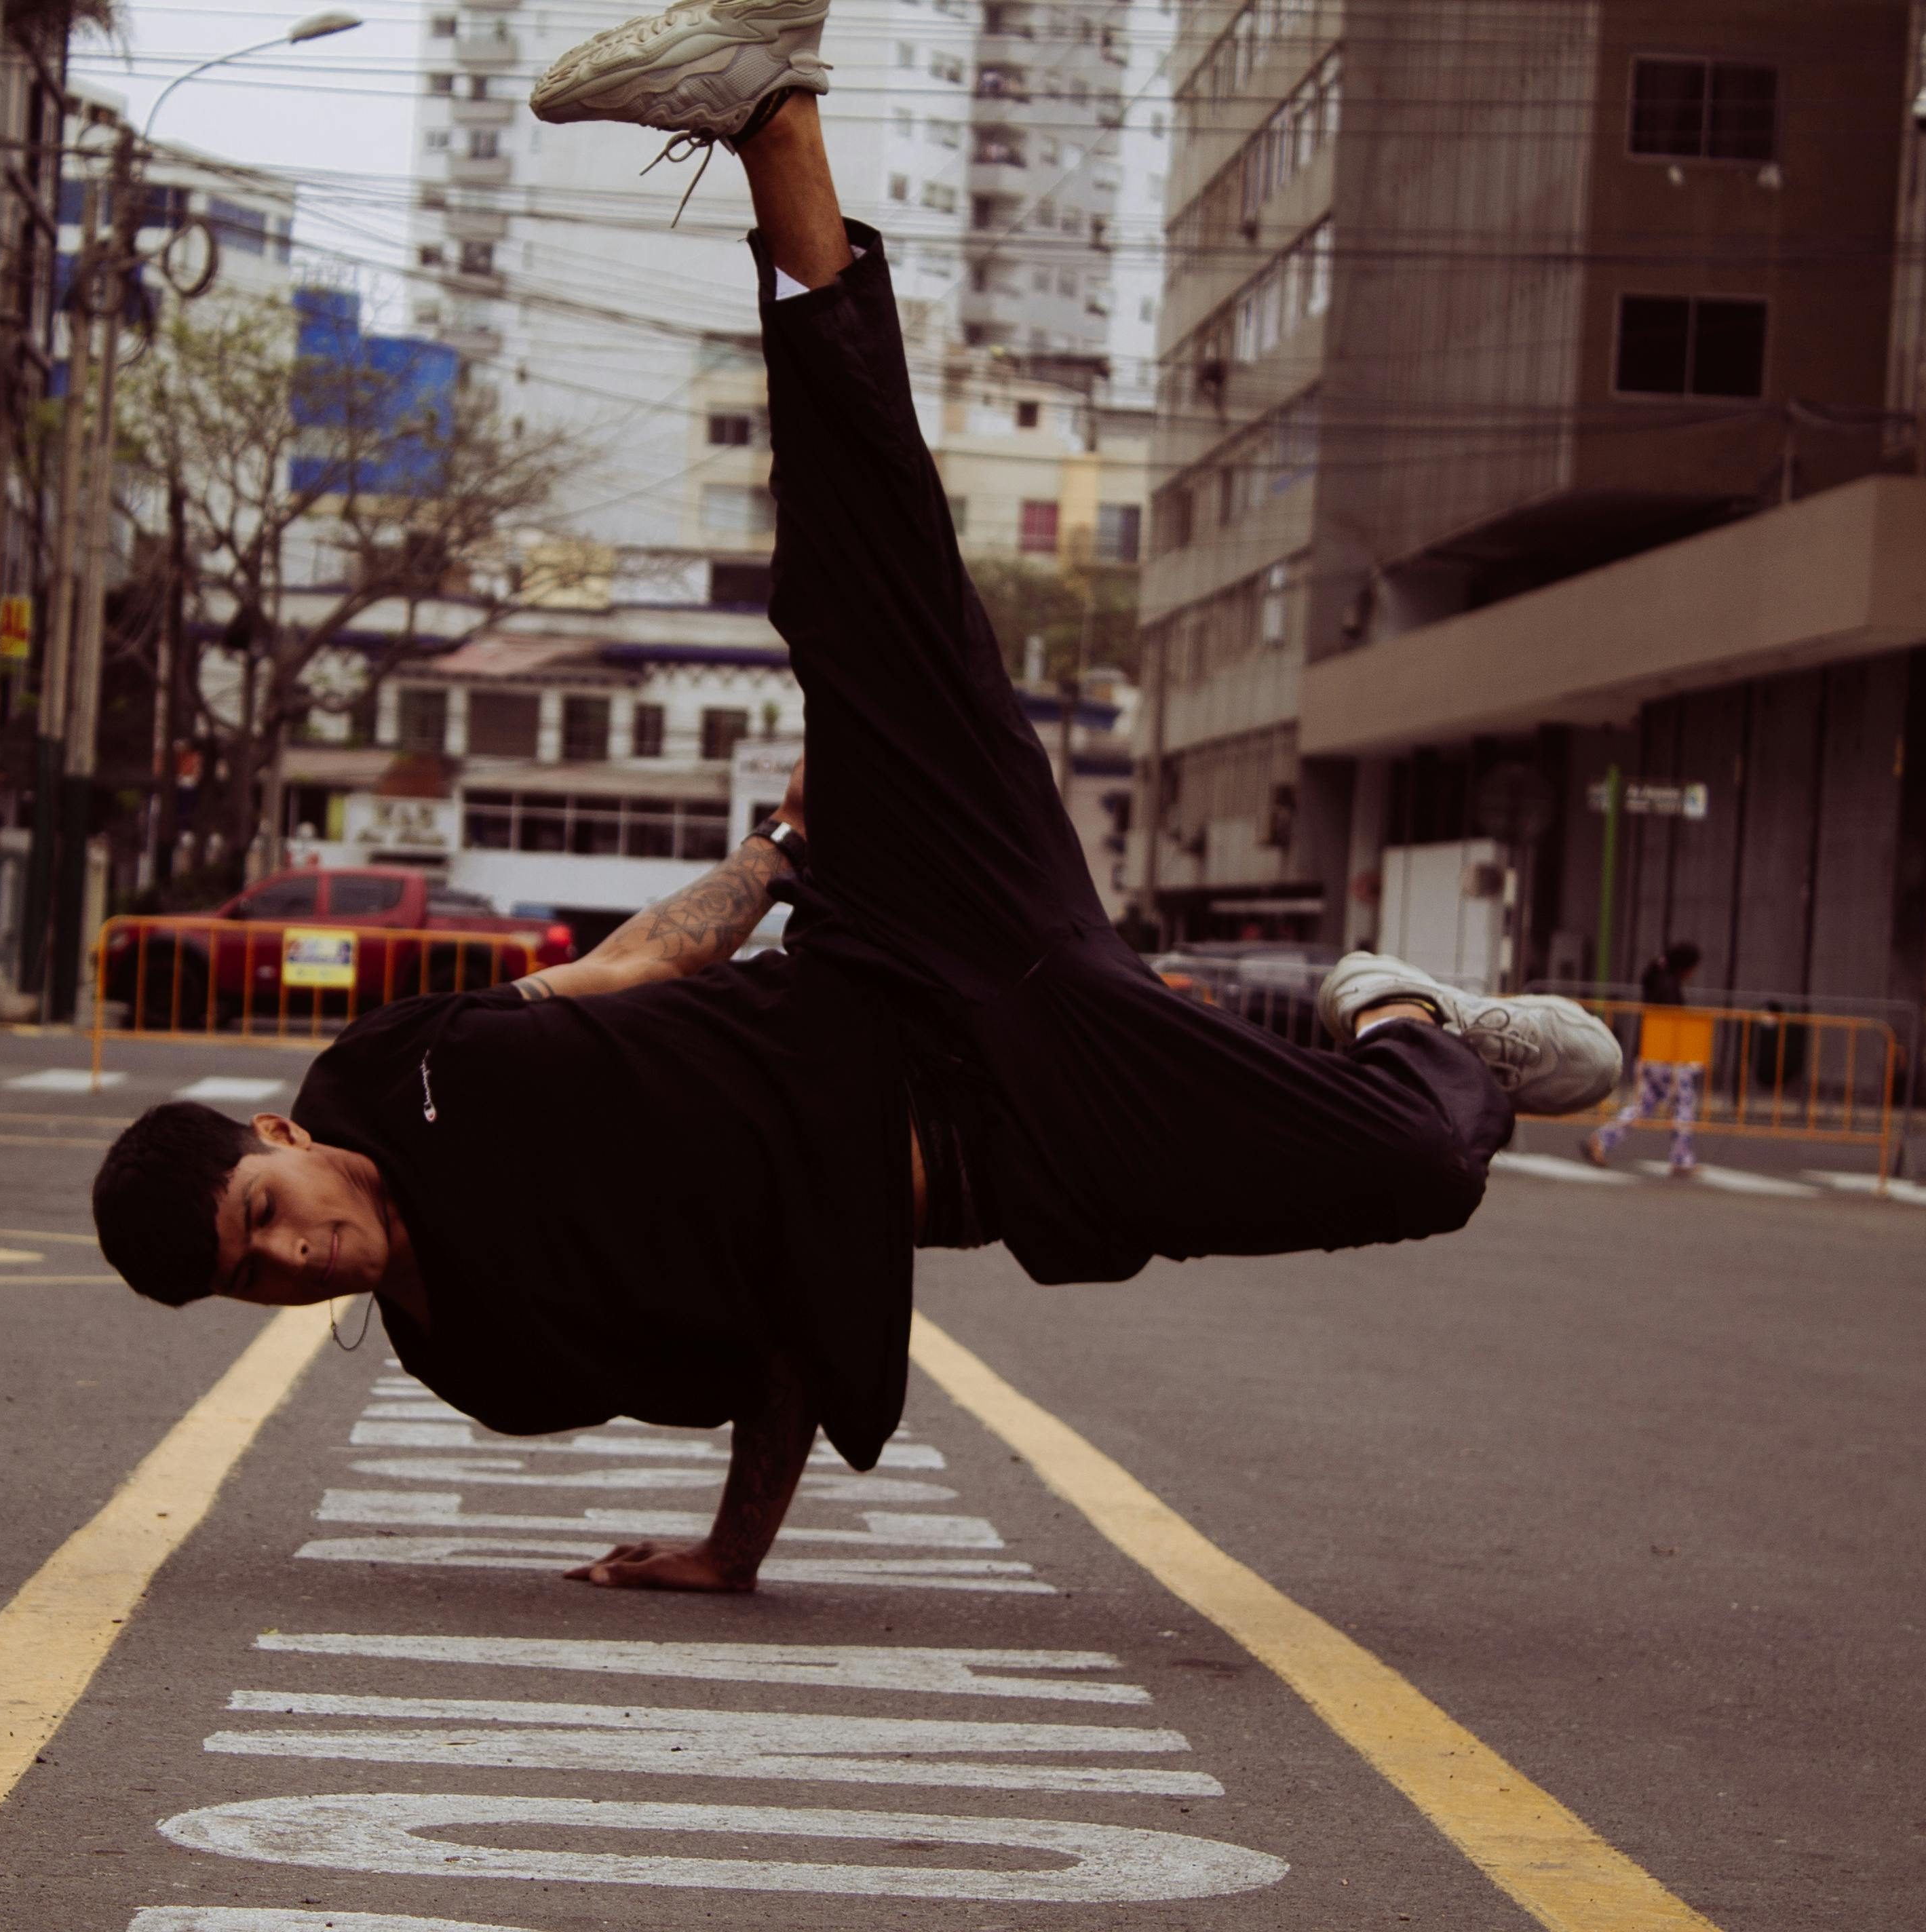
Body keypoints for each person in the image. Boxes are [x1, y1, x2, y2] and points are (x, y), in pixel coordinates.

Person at [92, 0, 1623, 1594]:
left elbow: (622, 972)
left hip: (911, 942)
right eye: (250, 1274)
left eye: (262, 1210)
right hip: (1014, 1137)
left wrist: (775, 844)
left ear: (274, 1134)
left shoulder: (388, 1070)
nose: (288, 1255)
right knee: (1425, 1167)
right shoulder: (483, 1353)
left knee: (863, 599)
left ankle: (770, 114)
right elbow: (771, 1342)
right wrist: (730, 1549)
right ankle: (1400, 1021)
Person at [1583, 941, 1708, 1174]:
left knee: (1644, 1107)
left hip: (1650, 1055)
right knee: (1683, 1104)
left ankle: (1601, 1140)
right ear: (1685, 966)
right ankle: (1681, 1159)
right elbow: (1671, 1024)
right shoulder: (1669, 988)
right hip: (1666, 1057)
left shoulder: (1658, 980)